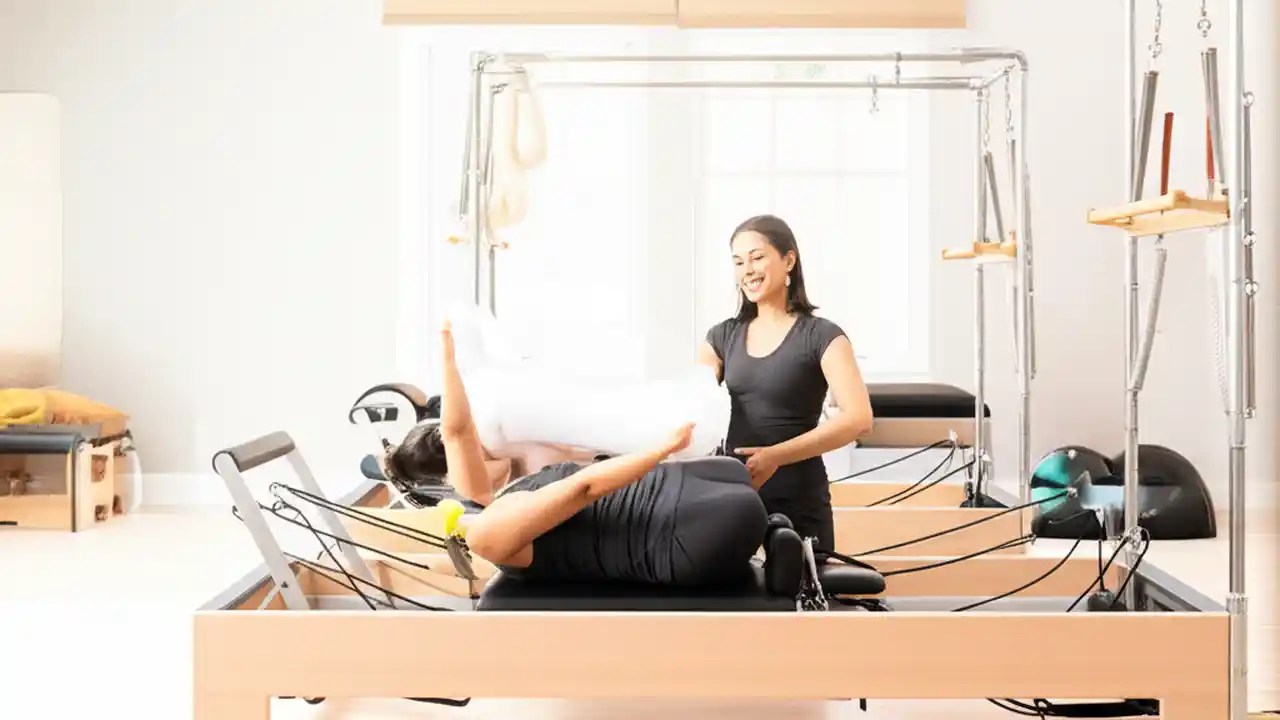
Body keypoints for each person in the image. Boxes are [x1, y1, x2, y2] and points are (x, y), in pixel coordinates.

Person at [404, 319, 769, 587]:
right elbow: (585, 487)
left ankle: (773, 528)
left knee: (738, 476)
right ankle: (771, 531)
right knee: (744, 504)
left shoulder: (510, 470)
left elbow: (461, 431)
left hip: (668, 495)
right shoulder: (487, 522)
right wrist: (663, 448)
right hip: (680, 534)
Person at [698, 214, 874, 551]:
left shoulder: (823, 336)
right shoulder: (721, 337)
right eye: (738, 262)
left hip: (799, 503)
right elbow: (692, 405)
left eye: (757, 257)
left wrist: (774, 456)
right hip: (733, 501)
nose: (747, 270)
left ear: (789, 260)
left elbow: (859, 418)